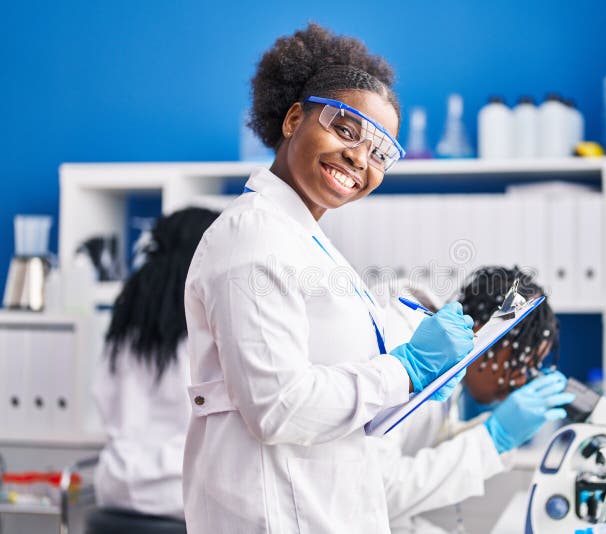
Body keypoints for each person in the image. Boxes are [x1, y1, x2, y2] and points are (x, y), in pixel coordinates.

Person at [181, 24, 475, 534]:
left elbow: (339, 378)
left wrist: (408, 336)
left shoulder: (307, 241)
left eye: (380, 152)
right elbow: (278, 407)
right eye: (345, 129)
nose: (360, 158)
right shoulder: (254, 238)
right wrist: (405, 369)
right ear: (295, 118)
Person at [378, 266, 569, 533]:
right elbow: (376, 494)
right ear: (485, 330)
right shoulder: (405, 345)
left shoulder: (449, 360)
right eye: (521, 362)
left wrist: (494, 435)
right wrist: (492, 438)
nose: (520, 380)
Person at [93, 207, 219, 520]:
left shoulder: (125, 329)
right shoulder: (204, 333)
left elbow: (103, 400)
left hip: (115, 483)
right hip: (178, 488)